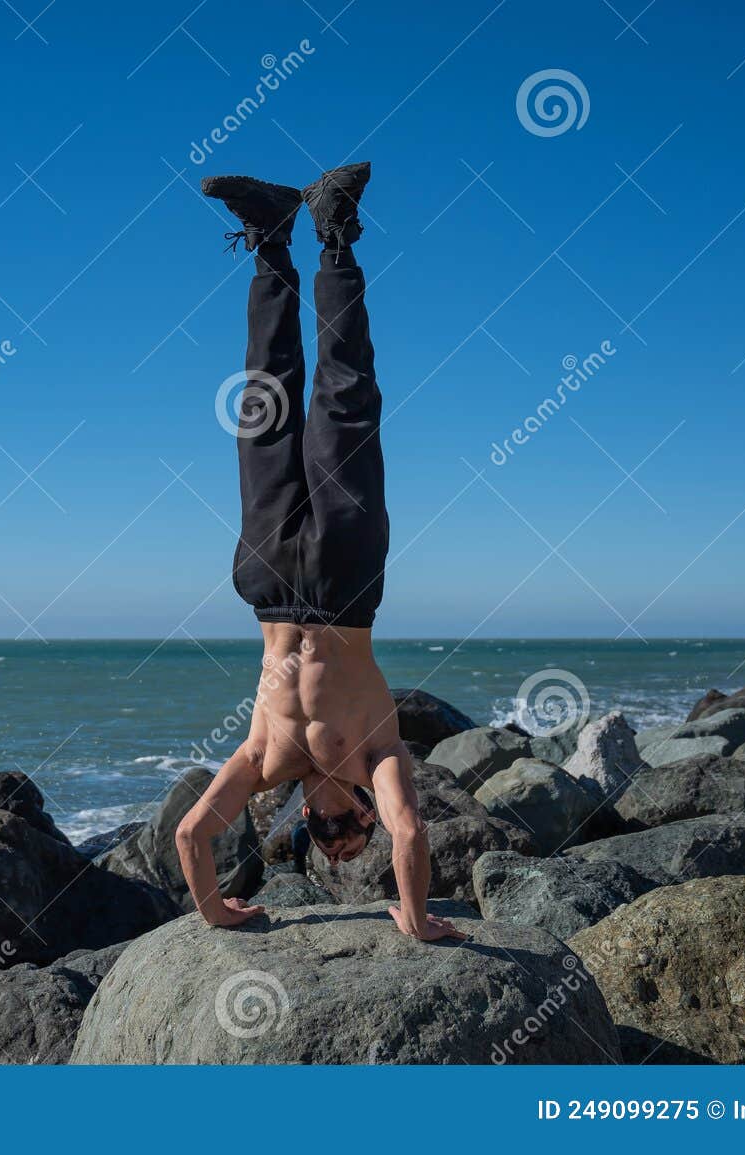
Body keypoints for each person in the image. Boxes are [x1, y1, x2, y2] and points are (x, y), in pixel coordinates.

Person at [173, 163, 462, 942]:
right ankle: (334, 231)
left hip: (266, 579)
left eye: (323, 838)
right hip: (343, 575)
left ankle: (271, 237)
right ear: (363, 810)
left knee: (263, 404)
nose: (332, 837)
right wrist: (415, 918)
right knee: (345, 395)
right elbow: (411, 834)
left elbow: (190, 834)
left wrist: (213, 909)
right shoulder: (379, 749)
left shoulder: (264, 757)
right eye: (347, 837)